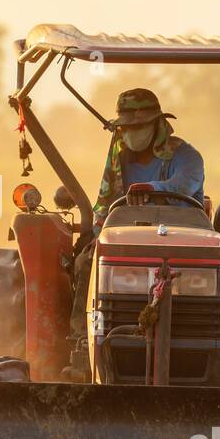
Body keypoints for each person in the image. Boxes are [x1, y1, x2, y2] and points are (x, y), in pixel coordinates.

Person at [66, 88, 206, 369]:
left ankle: (207, 339)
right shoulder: (120, 162)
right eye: (127, 128)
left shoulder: (186, 156)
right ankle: (81, 342)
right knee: (84, 261)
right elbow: (107, 205)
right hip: (126, 240)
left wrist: (151, 188)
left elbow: (183, 186)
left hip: (181, 239)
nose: (132, 133)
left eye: (139, 126)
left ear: (158, 124)